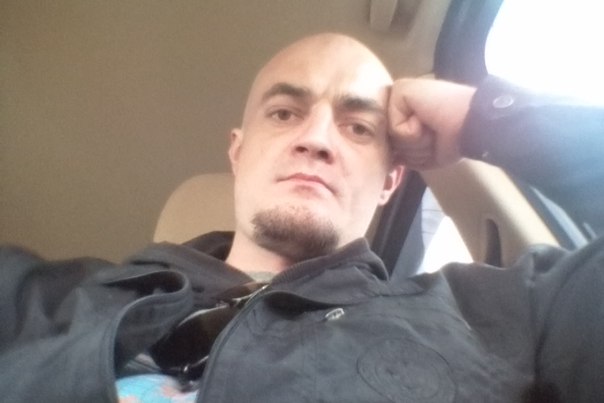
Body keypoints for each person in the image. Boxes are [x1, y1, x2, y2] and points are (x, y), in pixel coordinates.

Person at [1, 33, 603, 403]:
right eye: (285, 113)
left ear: (391, 181)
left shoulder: (507, 318)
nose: (316, 139)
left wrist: (486, 116)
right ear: (238, 151)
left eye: (358, 126)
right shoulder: (44, 298)